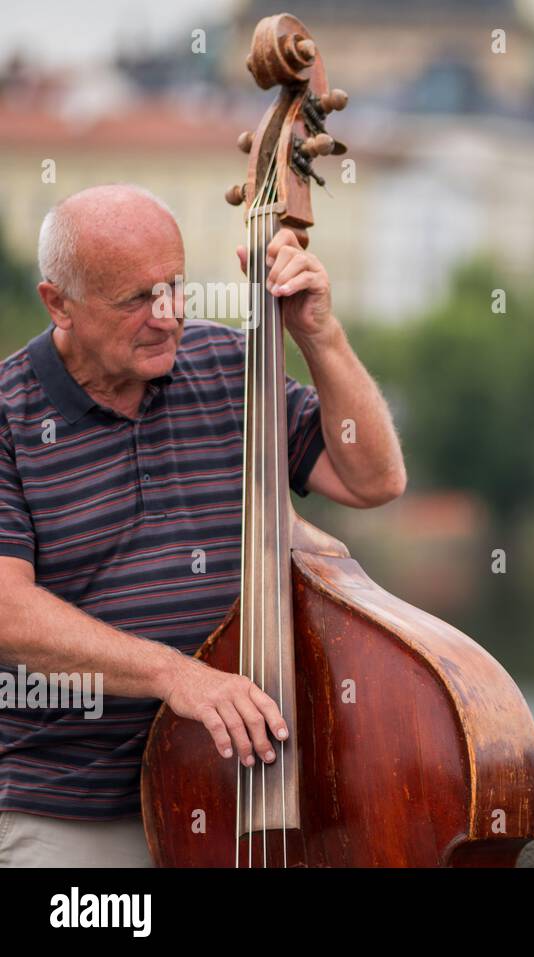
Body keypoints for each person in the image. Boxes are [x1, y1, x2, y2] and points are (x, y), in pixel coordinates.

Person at [0, 184, 406, 866]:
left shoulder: (225, 366)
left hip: (243, 792)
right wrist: (175, 675)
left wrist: (319, 334)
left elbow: (373, 478)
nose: (168, 316)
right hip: (75, 804)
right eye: (137, 298)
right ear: (58, 304)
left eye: (175, 286)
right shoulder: (8, 416)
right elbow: (8, 612)